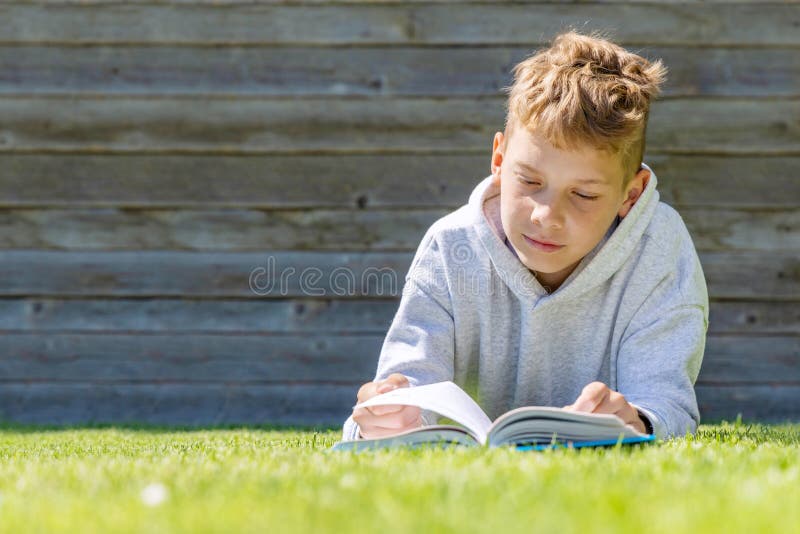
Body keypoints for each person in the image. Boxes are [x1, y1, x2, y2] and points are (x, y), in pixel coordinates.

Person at [341, 30, 708, 442]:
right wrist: (383, 417)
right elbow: (406, 385)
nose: (547, 216)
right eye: (530, 181)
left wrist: (638, 420)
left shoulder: (658, 247)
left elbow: (667, 405)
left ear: (631, 194)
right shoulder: (450, 248)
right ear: (498, 160)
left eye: (584, 194)